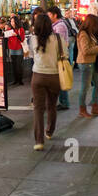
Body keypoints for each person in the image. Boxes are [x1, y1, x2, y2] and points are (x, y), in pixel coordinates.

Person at [27, 9, 68, 151]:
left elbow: (31, 55)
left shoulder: (33, 39)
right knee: (51, 105)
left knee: (38, 109)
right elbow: (65, 55)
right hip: (54, 76)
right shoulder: (58, 39)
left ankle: (39, 141)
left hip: (38, 76)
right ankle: (49, 131)